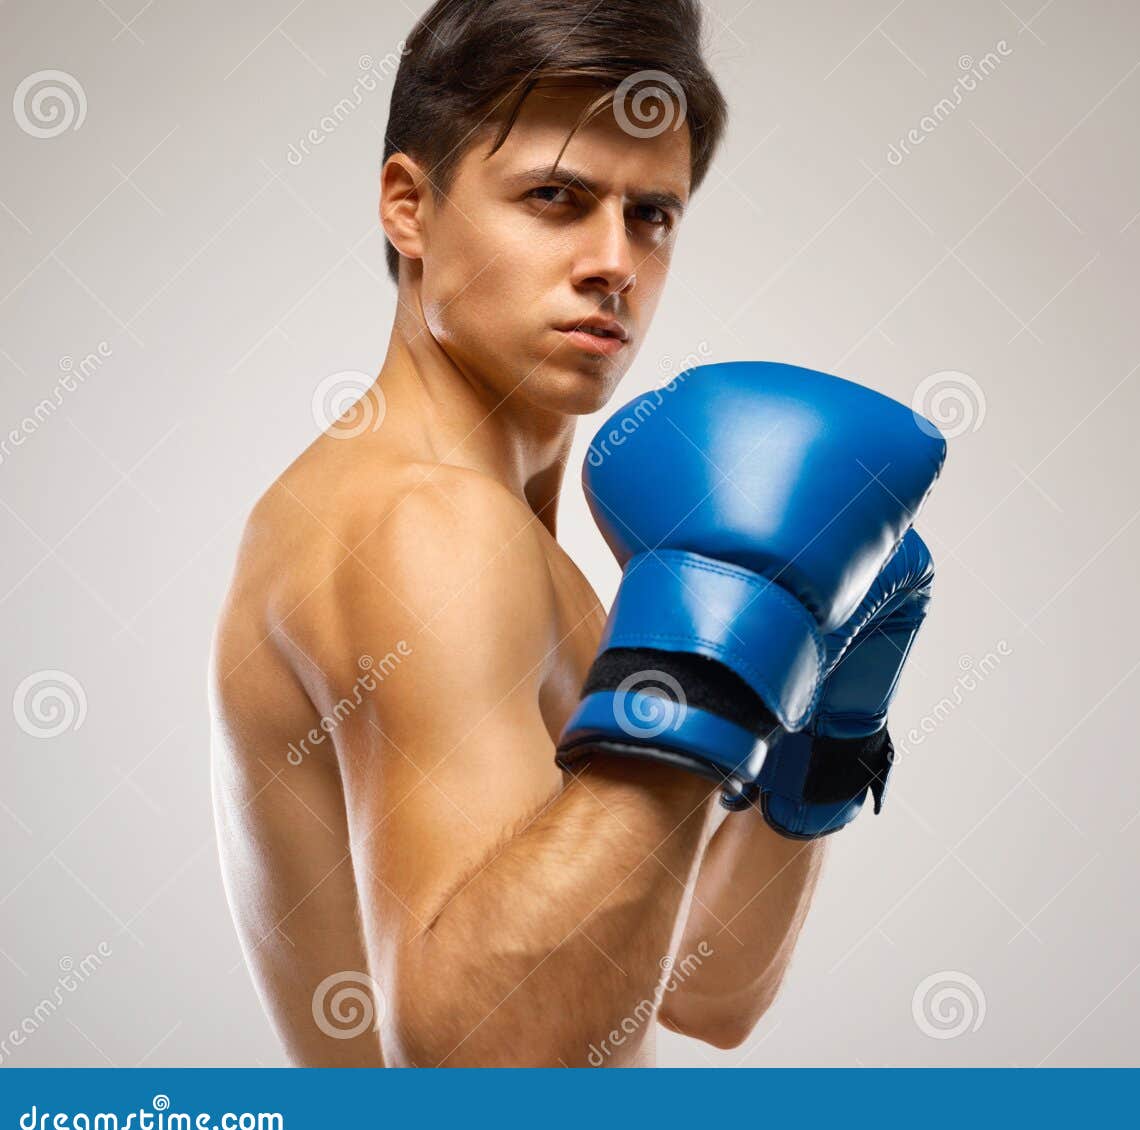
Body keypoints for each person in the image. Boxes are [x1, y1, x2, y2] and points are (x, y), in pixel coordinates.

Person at [209, 0, 937, 1068]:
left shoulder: (476, 528)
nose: (615, 262)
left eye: (652, 215)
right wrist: (715, 673)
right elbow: (486, 1066)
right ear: (408, 207)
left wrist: (819, 744)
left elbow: (704, 990)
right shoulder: (428, 521)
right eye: (556, 198)